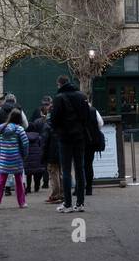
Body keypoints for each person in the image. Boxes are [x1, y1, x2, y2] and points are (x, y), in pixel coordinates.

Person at [49, 74, 88, 213]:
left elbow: (53, 120)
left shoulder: (59, 98)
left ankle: (68, 204)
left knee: (66, 171)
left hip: (65, 138)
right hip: (79, 137)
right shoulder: (81, 96)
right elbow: (87, 116)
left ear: (59, 84)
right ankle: (81, 203)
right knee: (80, 168)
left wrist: (58, 130)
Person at [0, 110, 29, 209]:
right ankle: (22, 203)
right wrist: (24, 155)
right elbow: (25, 143)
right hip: (16, 158)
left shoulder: (0, 129)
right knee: (19, 181)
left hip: (4, 158)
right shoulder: (19, 129)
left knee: (1, 181)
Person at [83, 96, 106, 198]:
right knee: (88, 165)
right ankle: (89, 188)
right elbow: (101, 123)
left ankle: (79, 188)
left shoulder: (76, 111)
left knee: (79, 166)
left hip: (80, 141)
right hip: (91, 142)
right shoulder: (93, 111)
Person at [24, 120, 45, 194]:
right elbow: (41, 146)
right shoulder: (38, 137)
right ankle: (37, 186)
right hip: (37, 158)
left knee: (28, 174)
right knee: (37, 173)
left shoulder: (24, 136)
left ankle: (28, 187)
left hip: (28, 158)